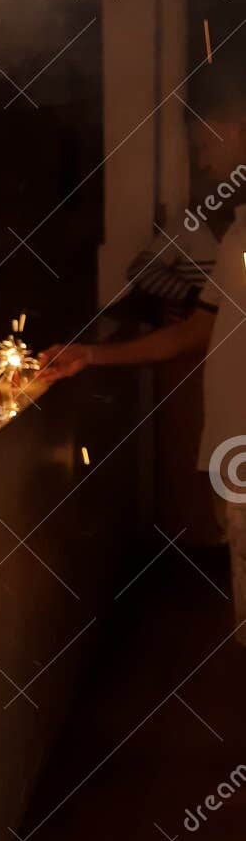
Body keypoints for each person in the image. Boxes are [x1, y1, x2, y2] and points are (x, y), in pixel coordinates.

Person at [41, 70, 246, 641]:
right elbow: (198, 332)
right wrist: (92, 356)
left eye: (203, 139)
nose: (199, 155)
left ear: (238, 127)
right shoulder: (237, 232)